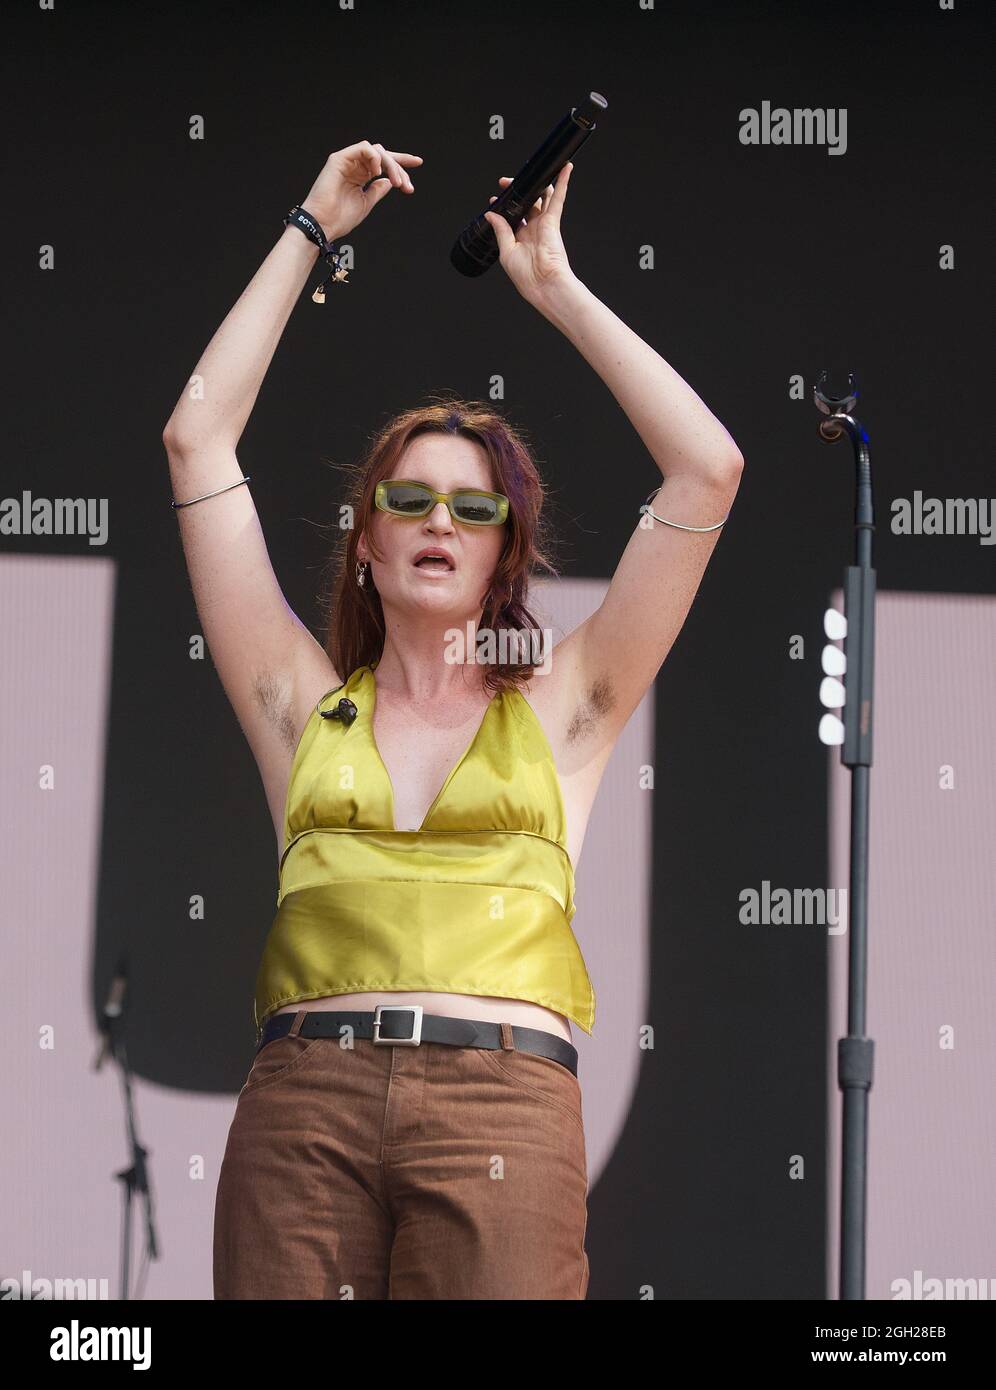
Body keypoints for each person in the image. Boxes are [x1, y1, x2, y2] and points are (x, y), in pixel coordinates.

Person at [162, 140, 744, 1300]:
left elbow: (707, 470)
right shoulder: (301, 705)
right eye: (409, 497)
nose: (440, 517)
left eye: (474, 506)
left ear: (502, 552)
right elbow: (196, 438)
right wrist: (311, 225)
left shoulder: (566, 705)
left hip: (504, 1102)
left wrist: (557, 288)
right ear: (368, 541)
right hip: (305, 1103)